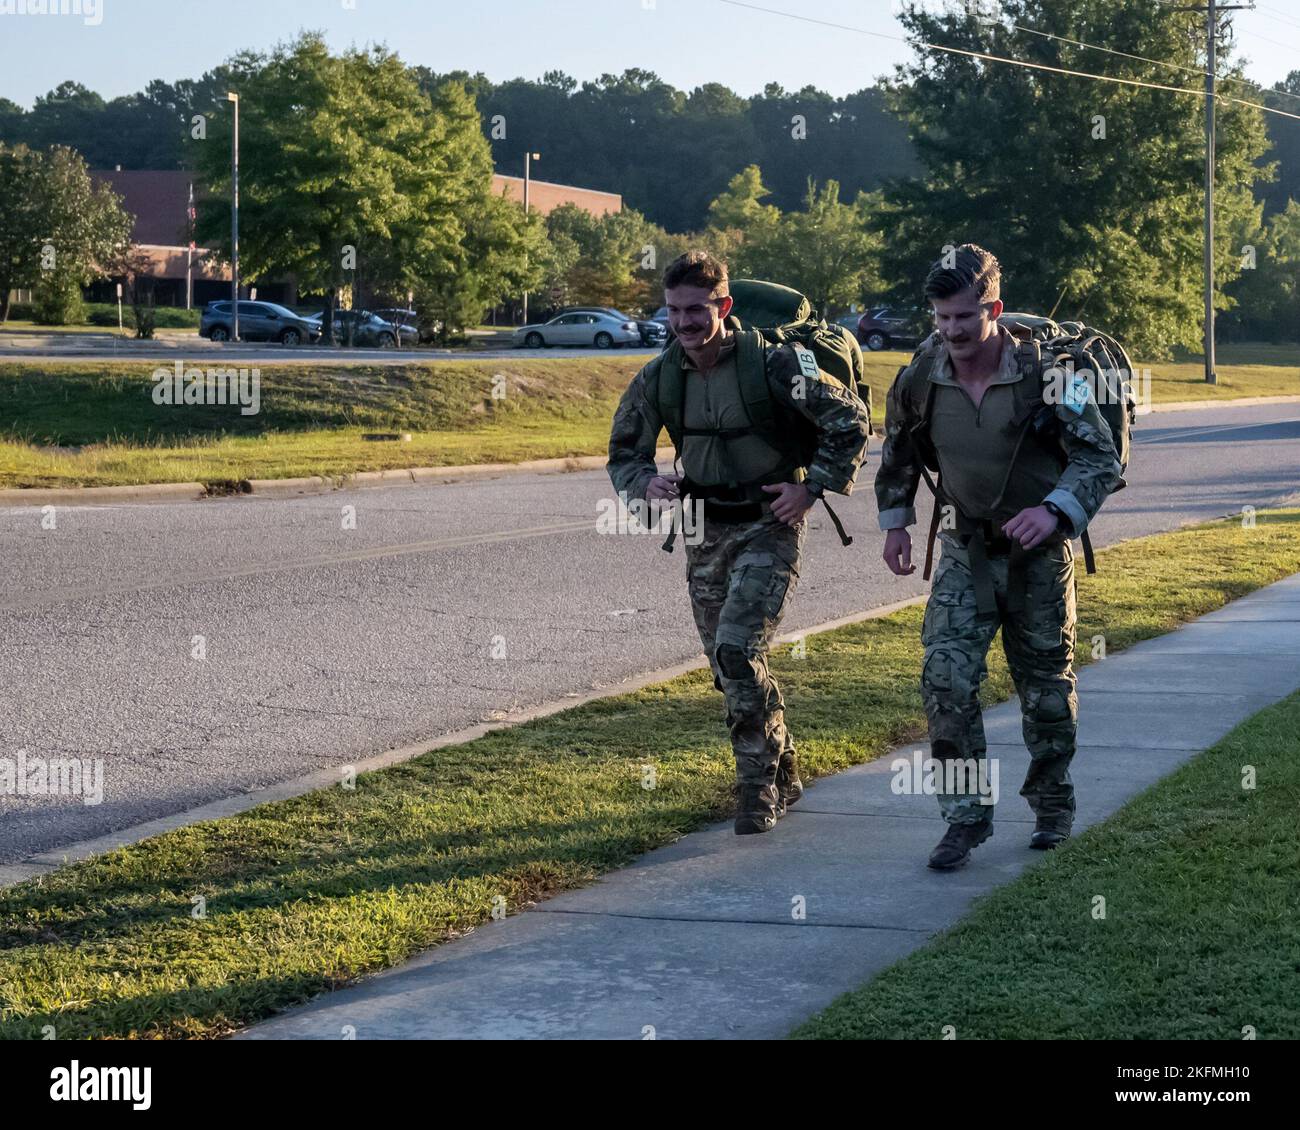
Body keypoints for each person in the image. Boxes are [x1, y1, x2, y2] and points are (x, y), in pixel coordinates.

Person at [874, 244, 1122, 869]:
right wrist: (896, 524)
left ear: (994, 309)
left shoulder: (1048, 375)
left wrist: (1057, 509)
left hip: (1038, 554)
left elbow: (1100, 457)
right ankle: (965, 818)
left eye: (965, 316)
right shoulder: (921, 375)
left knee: (1044, 690)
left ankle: (1052, 805)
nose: (953, 331)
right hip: (965, 548)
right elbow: (898, 451)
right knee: (946, 678)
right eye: (942, 318)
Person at [608, 250, 871, 834]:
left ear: (723, 307)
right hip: (704, 528)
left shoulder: (774, 365)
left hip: (768, 526)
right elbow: (623, 451)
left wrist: (813, 490)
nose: (684, 323)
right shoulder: (659, 376)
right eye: (674, 311)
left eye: (697, 310)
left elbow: (849, 420)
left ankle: (756, 790)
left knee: (736, 648)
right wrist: (644, 482)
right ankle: (784, 765)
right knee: (729, 668)